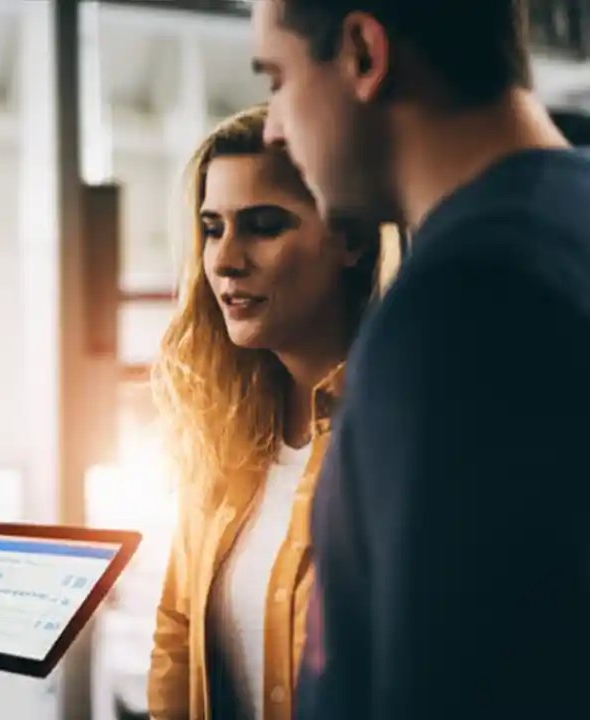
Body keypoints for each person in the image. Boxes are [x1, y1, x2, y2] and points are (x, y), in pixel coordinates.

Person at [249, 2, 590, 718]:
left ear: (364, 55)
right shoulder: (559, 233)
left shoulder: (463, 307)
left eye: (277, 79)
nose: (274, 127)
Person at [148, 104, 383, 720]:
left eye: (263, 225)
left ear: (351, 241)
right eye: (212, 227)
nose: (226, 260)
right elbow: (176, 635)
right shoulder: (223, 436)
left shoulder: (397, 439)